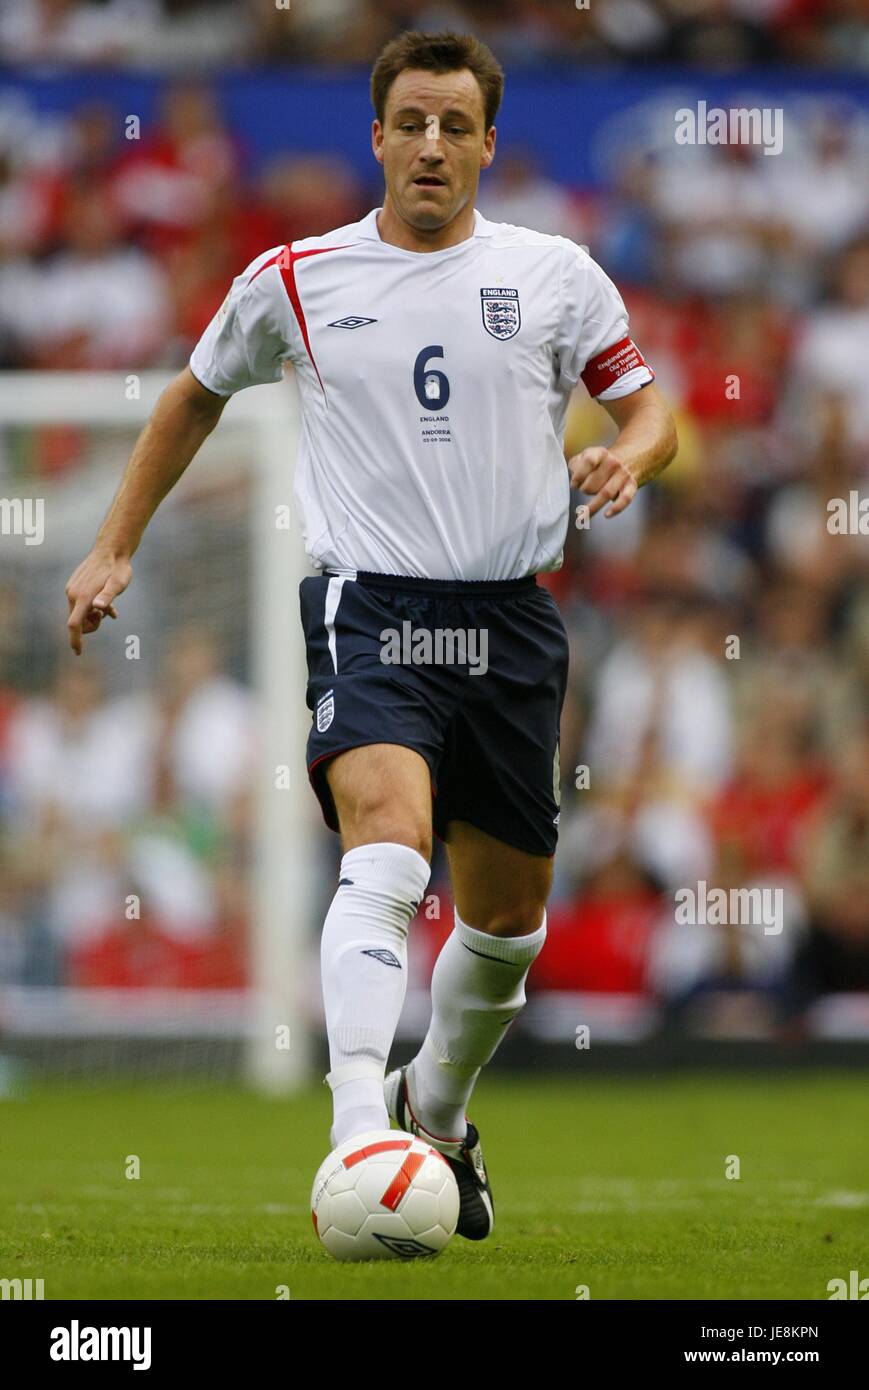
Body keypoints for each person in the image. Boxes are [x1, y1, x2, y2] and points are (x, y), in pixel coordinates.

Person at [65, 29, 677, 1241]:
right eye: (413, 123)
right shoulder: (294, 278)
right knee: (387, 854)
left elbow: (647, 400)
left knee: (505, 930)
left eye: (457, 126)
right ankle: (356, 1132)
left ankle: (435, 1112)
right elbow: (193, 394)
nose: (434, 146)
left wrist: (631, 451)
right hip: (373, 608)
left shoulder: (554, 274)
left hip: (511, 620)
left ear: (491, 144)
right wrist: (113, 543)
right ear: (377, 137)